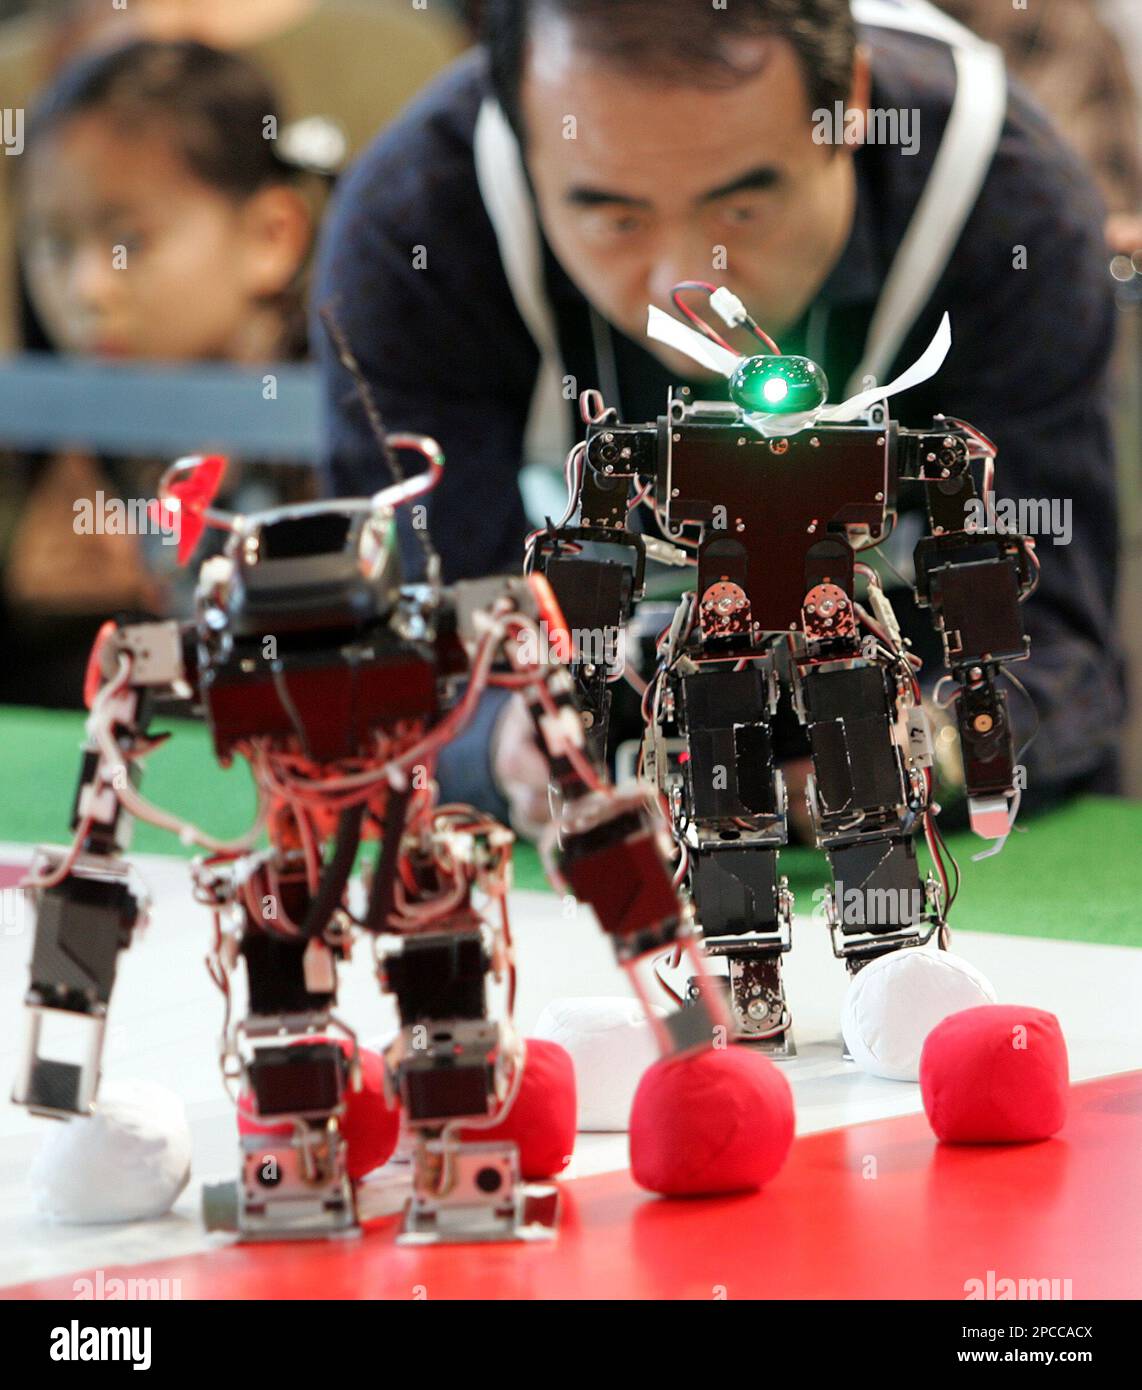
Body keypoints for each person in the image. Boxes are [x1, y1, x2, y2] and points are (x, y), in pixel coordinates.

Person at [314, 0, 1124, 835]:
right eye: (614, 217)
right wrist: (502, 748)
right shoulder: (411, 229)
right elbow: (408, 651)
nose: (686, 290)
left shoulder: (1002, 198)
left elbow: (1059, 650)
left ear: (848, 106)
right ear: (523, 148)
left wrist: (928, 748)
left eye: (742, 210)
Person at [0, 39, 316, 705]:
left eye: (129, 243)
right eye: (54, 244)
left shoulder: (339, 421)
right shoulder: (52, 442)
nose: (86, 289)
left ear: (270, 235)